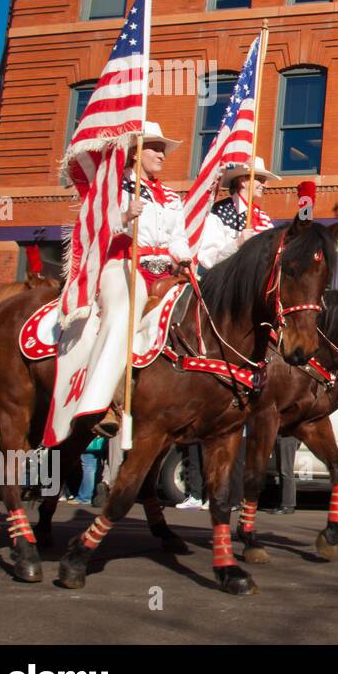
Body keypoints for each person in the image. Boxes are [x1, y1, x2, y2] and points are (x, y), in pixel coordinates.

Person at [82, 122, 193, 438]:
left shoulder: (171, 196)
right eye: (155, 148)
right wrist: (125, 215)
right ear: (135, 153)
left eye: (163, 149)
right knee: (122, 315)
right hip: (124, 263)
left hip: (165, 271)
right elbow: (98, 228)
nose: (162, 154)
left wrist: (184, 259)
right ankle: (103, 400)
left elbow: (179, 238)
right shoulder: (115, 187)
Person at [198, 156, 277, 270]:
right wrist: (237, 243)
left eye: (264, 180)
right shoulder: (219, 211)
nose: (264, 185)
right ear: (243, 181)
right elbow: (208, 259)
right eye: (259, 179)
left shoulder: (263, 217)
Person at [271, 435, 300, 515]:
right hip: (280, 436)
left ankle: (288, 505)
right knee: (281, 470)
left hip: (288, 436)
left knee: (286, 470)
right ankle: (283, 503)